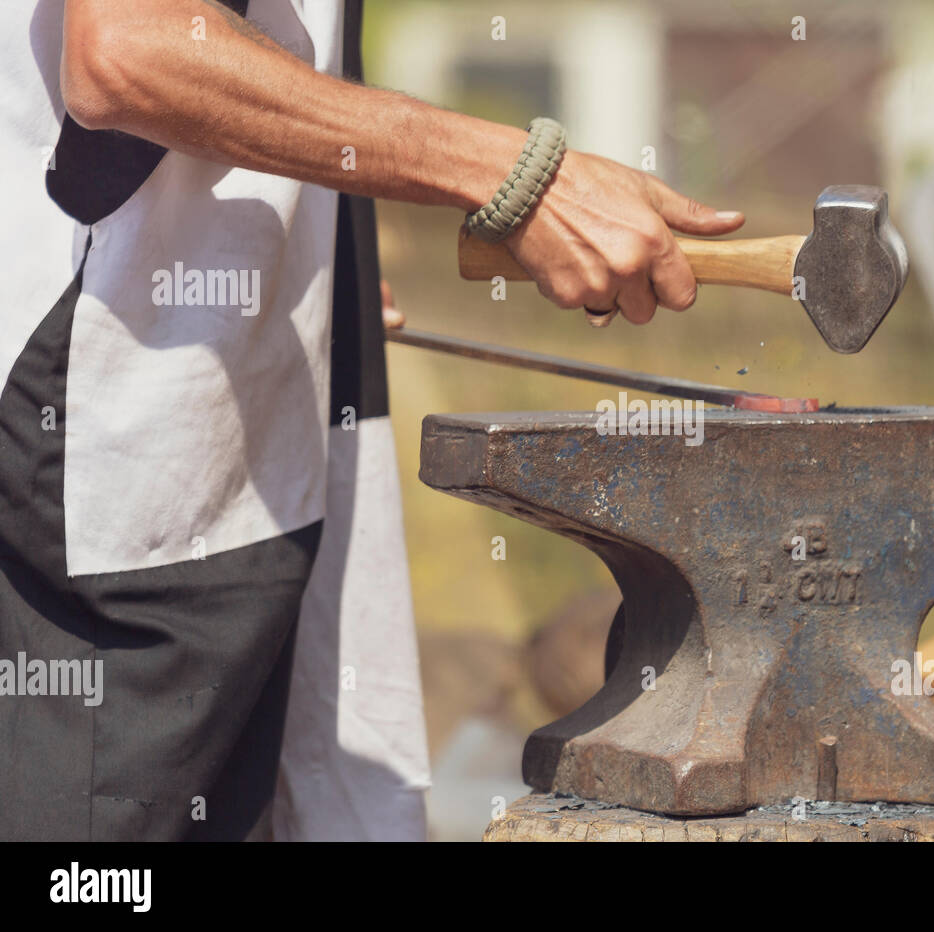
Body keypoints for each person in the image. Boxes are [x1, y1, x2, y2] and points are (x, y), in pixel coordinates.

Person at [0, 0, 744, 841]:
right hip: (115, 447)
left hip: (224, 416)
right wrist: (521, 173)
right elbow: (131, 50)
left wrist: (321, 277)